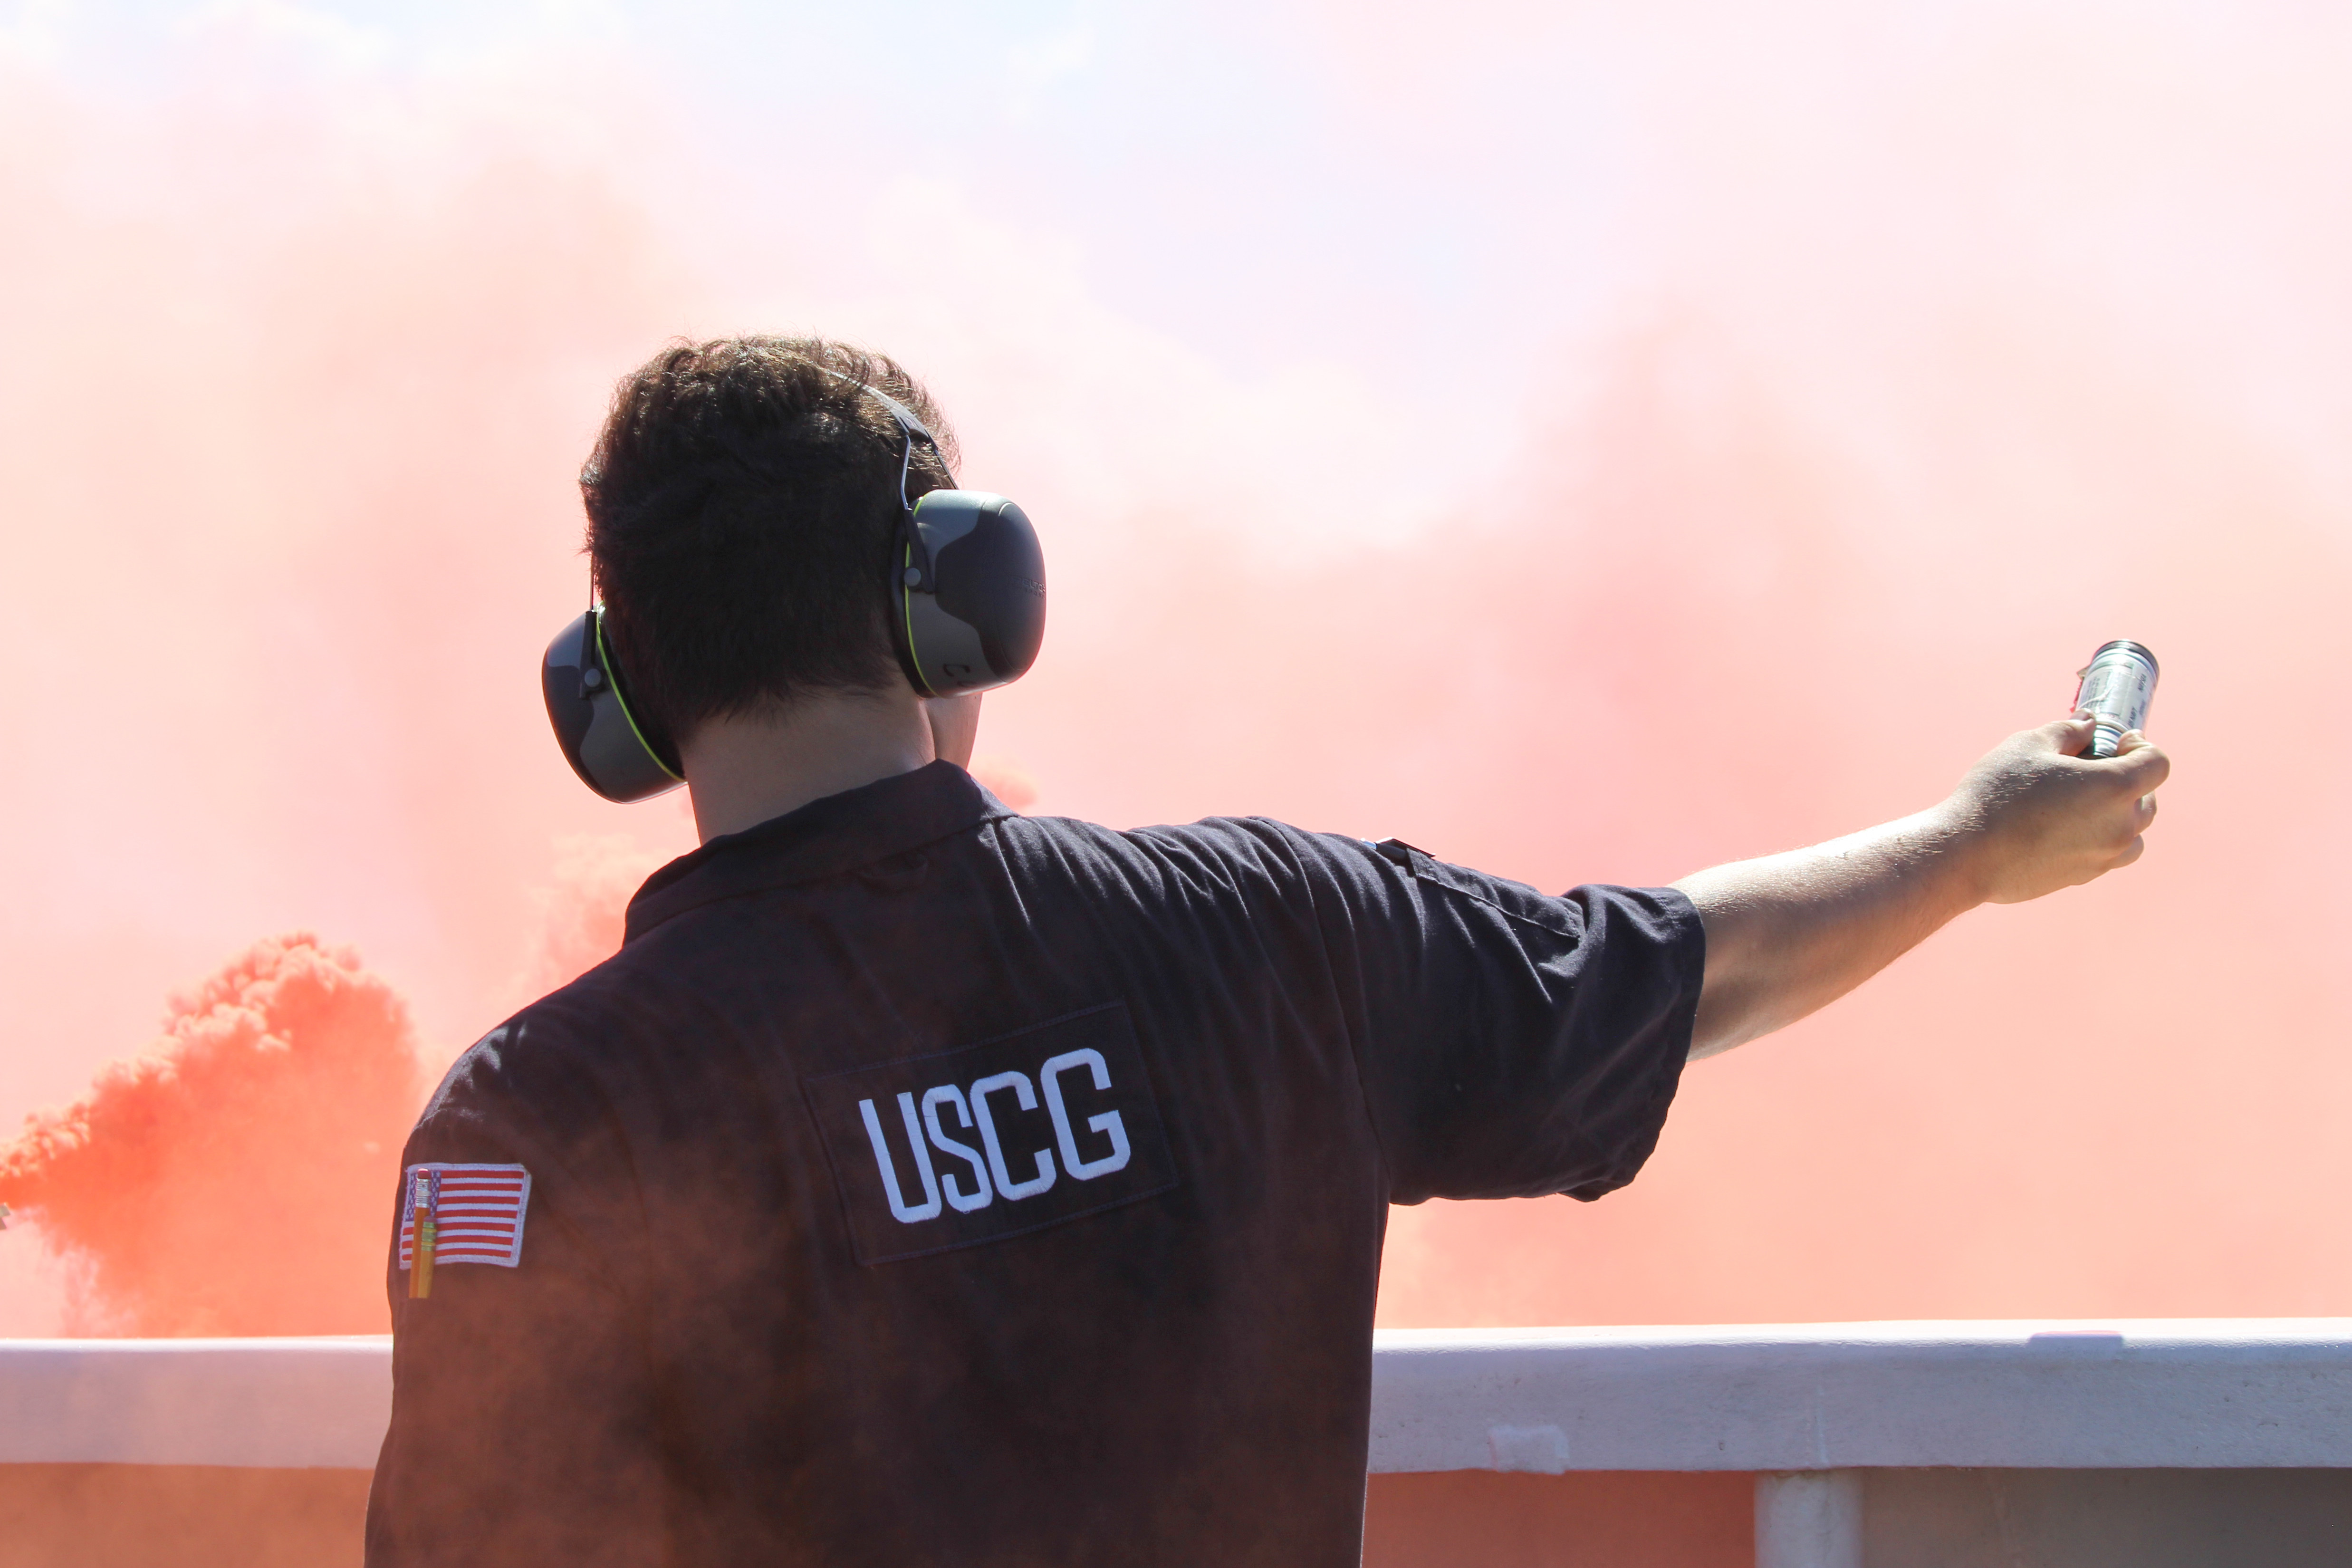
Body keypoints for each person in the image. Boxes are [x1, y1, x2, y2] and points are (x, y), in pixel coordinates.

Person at [364, 336, 2168, 1567]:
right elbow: (1682, 970)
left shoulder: (535, 1121)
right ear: (955, 604)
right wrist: (1974, 843)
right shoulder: (1266, 935)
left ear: (617, 691)